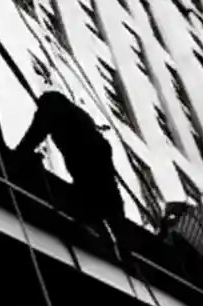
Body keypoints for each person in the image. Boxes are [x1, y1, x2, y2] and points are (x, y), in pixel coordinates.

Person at [13, 90, 124, 236]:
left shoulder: (54, 108)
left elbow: (37, 131)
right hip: (94, 156)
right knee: (106, 197)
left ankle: (96, 220)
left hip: (88, 157)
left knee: (95, 194)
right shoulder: (75, 114)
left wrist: (20, 152)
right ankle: (116, 228)